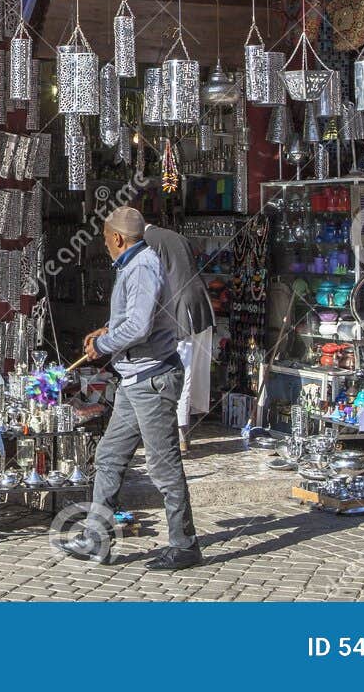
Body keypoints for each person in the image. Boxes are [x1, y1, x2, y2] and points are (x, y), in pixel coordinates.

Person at [58, 206, 201, 570]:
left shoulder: (142, 266)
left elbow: (138, 327)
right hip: (135, 377)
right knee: (109, 456)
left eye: (106, 239)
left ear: (117, 239)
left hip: (151, 378)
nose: (105, 245)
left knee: (163, 466)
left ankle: (184, 544)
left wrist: (103, 347)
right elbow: (136, 316)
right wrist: (108, 330)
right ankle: (97, 536)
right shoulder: (135, 265)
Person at [143, 222, 216, 450]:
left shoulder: (146, 243)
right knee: (192, 370)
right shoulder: (175, 236)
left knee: (179, 370)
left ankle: (180, 434)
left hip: (180, 311)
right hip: (200, 304)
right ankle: (183, 429)